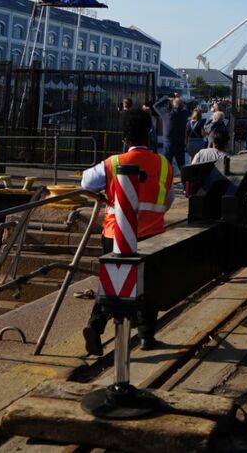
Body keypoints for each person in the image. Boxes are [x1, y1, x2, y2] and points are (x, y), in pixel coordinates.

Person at [79, 108, 174, 354]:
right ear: (150, 133)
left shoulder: (113, 163)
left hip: (115, 234)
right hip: (152, 236)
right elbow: (168, 199)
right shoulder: (163, 164)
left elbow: (85, 182)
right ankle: (146, 335)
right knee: (149, 284)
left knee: (112, 280)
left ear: (124, 138)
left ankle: (96, 326)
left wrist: (103, 198)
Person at [153, 94, 187, 166]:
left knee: (166, 165)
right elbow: (186, 106)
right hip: (180, 143)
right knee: (182, 166)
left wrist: (167, 98)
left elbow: (155, 106)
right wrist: (179, 99)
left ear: (172, 105)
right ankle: (184, 177)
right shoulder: (184, 114)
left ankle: (168, 177)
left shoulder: (166, 114)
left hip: (168, 143)